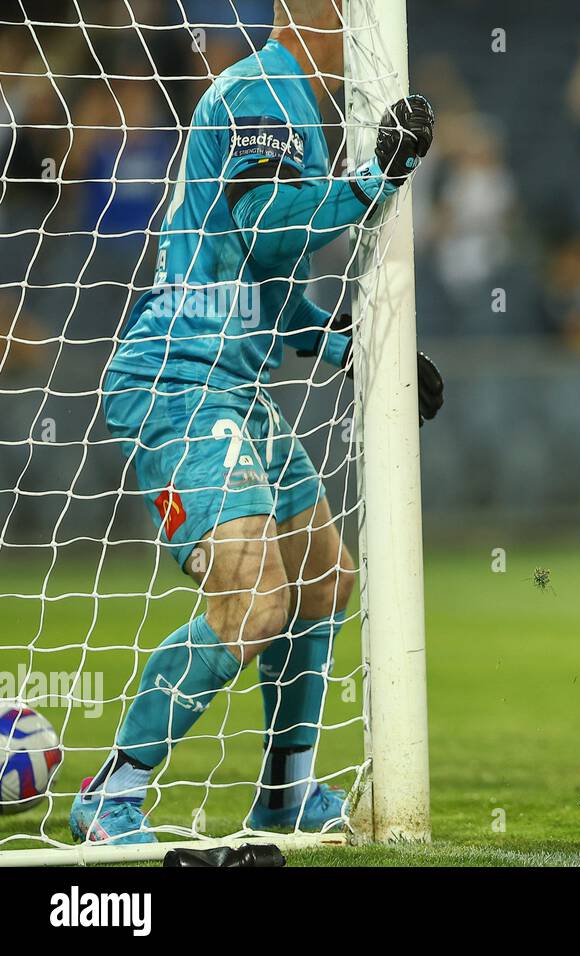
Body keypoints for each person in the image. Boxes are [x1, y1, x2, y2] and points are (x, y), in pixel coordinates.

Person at [72, 0, 440, 845]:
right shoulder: (259, 92)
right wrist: (373, 178)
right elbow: (266, 228)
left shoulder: (297, 104)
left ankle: (283, 793)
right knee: (255, 600)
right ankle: (111, 794)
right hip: (180, 378)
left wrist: (354, 350)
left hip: (237, 385)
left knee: (323, 583)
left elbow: (272, 297)